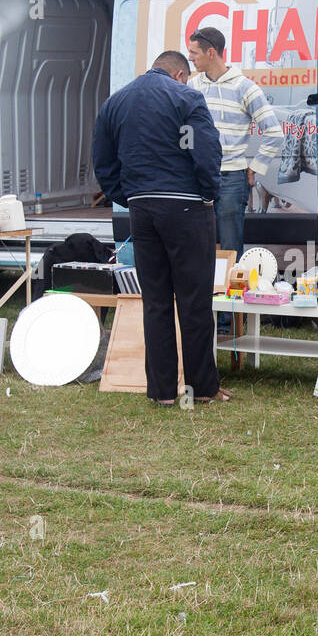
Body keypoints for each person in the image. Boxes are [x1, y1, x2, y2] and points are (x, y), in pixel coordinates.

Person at [92, 51, 227, 406]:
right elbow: (206, 151)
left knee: (155, 302)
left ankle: (163, 392)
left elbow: (102, 161)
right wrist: (209, 193)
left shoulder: (115, 102)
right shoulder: (186, 97)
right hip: (186, 206)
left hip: (142, 208)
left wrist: (128, 196)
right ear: (180, 74)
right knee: (194, 301)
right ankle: (202, 389)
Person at [186, 27, 284, 262]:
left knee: (230, 248)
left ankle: (229, 297)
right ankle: (203, 296)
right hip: (197, 178)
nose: (190, 57)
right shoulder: (191, 87)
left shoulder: (245, 88)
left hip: (231, 179)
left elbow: (274, 131)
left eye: (194, 52)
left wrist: (254, 167)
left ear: (211, 53)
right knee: (197, 244)